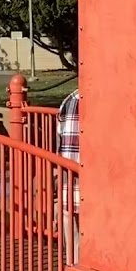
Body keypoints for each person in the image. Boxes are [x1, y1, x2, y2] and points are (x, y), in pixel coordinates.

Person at [56, 87, 80, 262]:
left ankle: (73, 263)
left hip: (70, 171)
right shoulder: (76, 101)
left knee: (69, 215)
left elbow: (62, 140)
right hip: (86, 173)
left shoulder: (71, 100)